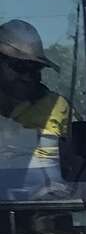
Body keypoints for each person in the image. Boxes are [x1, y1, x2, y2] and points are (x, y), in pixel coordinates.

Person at [0, 19, 71, 182]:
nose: (27, 76)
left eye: (34, 69)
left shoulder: (54, 106)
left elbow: (50, 168)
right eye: (19, 67)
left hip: (36, 201)